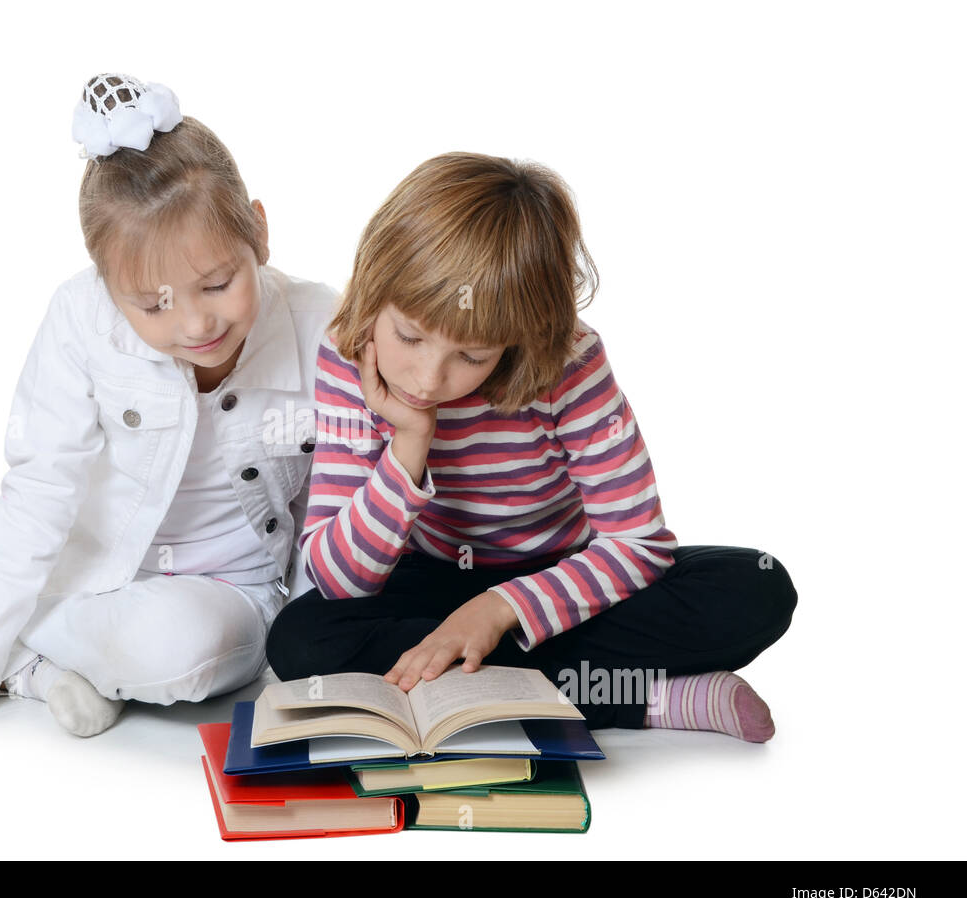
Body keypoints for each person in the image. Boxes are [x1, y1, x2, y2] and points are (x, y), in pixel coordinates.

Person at [0, 73, 336, 740]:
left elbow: (343, 499)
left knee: (176, 647)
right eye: (154, 304)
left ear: (258, 229)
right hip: (82, 578)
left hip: (218, 600)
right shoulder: (80, 316)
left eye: (219, 283)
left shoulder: (324, 325)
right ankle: (39, 674)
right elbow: (39, 490)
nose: (197, 321)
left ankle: (15, 646)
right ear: (108, 288)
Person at [265, 153, 798, 742]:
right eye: (409, 336)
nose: (425, 379)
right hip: (425, 583)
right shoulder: (348, 349)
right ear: (376, 292)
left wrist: (496, 613)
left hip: (560, 580)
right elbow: (339, 579)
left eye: (472, 356)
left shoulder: (569, 363)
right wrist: (410, 443)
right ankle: (637, 697)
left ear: (522, 340)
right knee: (299, 639)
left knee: (756, 587)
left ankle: (492, 677)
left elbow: (638, 546)